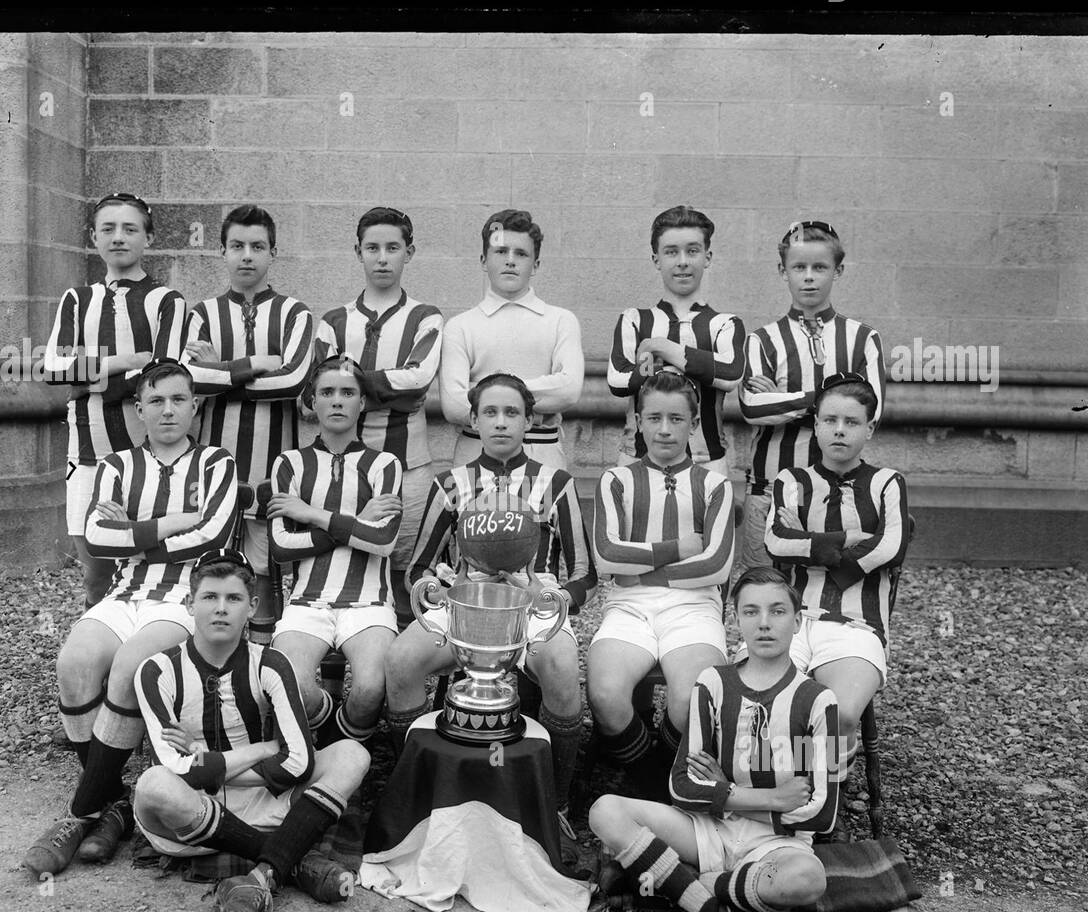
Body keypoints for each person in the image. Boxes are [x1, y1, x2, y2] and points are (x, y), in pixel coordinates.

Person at [23, 360, 238, 877]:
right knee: (74, 661)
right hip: (125, 593)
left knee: (129, 665)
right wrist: (173, 523)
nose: (168, 410)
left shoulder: (216, 463)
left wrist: (137, 533)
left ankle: (80, 813)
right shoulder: (117, 466)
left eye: (179, 399)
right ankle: (114, 802)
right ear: (139, 409)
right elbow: (98, 538)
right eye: (157, 400)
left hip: (183, 599)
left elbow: (210, 537)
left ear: (195, 406)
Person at [384, 373, 596, 866]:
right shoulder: (450, 483)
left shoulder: (556, 484)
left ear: (529, 421)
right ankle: (412, 787)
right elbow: (416, 567)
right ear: (474, 420)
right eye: (491, 413)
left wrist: (551, 595)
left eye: (513, 413)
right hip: (464, 609)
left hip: (530, 611)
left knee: (564, 669)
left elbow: (584, 574)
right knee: (400, 661)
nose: (501, 422)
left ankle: (556, 802)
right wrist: (435, 583)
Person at [589, 566, 838, 912]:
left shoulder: (815, 700)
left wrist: (723, 793)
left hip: (776, 844)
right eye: (751, 611)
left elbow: (820, 812)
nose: (764, 623)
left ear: (797, 620)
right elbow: (682, 786)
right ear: (735, 620)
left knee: (809, 880)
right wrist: (769, 797)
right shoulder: (714, 684)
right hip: (708, 832)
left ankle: (701, 886)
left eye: (777, 611)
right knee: (605, 811)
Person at [132, 549, 371, 912]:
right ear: (190, 604)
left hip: (268, 805)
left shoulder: (271, 663)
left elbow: (299, 765)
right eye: (210, 597)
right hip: (189, 817)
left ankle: (264, 873)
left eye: (234, 599)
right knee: (153, 785)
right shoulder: (156, 670)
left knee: (353, 754)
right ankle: (293, 862)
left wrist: (207, 762)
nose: (221, 609)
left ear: (252, 607)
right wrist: (262, 751)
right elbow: (176, 770)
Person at [587, 370, 735, 802]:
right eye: (654, 418)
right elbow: (607, 557)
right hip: (629, 605)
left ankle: (667, 768)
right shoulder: (616, 480)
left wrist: (641, 568)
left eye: (676, 419)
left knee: (690, 702)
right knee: (606, 694)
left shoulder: (716, 485)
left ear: (693, 424)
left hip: (693, 606)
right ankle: (651, 774)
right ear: (638, 421)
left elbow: (717, 566)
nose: (665, 429)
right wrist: (677, 547)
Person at [43, 193, 189, 607]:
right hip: (87, 449)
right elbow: (53, 369)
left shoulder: (167, 301)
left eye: (130, 229)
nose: (118, 238)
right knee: (96, 569)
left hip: (147, 451)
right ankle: (99, 659)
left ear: (149, 237)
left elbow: (161, 379)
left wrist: (86, 376)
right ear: (93, 237)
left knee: (149, 563)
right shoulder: (77, 300)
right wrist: (124, 361)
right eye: (108, 229)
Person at [765, 372, 908, 786]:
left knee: (839, 712)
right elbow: (776, 540)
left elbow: (891, 547)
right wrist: (846, 539)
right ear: (815, 425)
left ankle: (823, 804)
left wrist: (810, 545)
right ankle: (773, 794)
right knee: (759, 702)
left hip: (856, 624)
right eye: (829, 420)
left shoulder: (887, 484)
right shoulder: (791, 481)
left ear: (870, 428)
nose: (839, 431)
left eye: (851, 422)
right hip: (788, 618)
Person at [181, 204, 316, 644]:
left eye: (257, 246)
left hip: (270, 466)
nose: (247, 255)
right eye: (237, 246)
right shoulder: (202, 313)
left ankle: (260, 664)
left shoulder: (295, 313)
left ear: (273, 252)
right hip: (212, 464)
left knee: (262, 568)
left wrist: (219, 373)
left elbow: (294, 379)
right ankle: (209, 660)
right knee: (209, 563)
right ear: (222, 251)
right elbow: (188, 379)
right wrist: (257, 365)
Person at [314, 207, 444, 629]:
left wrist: (348, 384)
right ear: (358, 252)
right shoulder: (334, 320)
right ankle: (339, 681)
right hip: (344, 465)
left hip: (409, 464)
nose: (382, 257)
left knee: (405, 566)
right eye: (373, 248)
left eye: (392, 247)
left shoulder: (425, 317)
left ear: (410, 252)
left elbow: (418, 380)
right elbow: (313, 389)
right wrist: (384, 387)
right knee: (345, 561)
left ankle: (399, 676)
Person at [267, 356, 403, 746]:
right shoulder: (290, 463)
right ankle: (330, 728)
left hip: (369, 602)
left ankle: (345, 758)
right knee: (288, 681)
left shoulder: (384, 463)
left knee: (370, 689)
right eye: (327, 392)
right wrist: (357, 520)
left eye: (348, 392)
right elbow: (280, 547)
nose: (338, 401)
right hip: (308, 602)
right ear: (312, 401)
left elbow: (384, 540)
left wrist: (311, 514)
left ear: (363, 403)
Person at [738, 220, 885, 571]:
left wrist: (785, 399)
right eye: (799, 267)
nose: (809, 277)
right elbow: (752, 408)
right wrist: (835, 400)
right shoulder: (763, 339)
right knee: (766, 590)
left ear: (838, 271)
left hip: (841, 490)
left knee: (828, 590)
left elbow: (872, 411)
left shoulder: (863, 338)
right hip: (770, 486)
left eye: (820, 267)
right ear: (782, 271)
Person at [438, 208, 584, 473]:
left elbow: (569, 389)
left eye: (521, 253)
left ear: (536, 264)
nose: (510, 260)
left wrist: (482, 391)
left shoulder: (561, 320)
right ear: (484, 260)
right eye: (501, 251)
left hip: (543, 454)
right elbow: (452, 405)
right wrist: (532, 399)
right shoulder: (460, 327)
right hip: (475, 455)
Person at [607, 205, 746, 475]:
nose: (682, 261)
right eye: (671, 252)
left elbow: (730, 374)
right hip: (638, 461)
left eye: (692, 251)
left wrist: (660, 348)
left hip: (707, 463)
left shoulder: (725, 324)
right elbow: (618, 380)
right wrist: (666, 368)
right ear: (656, 259)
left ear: (707, 257)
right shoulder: (634, 319)